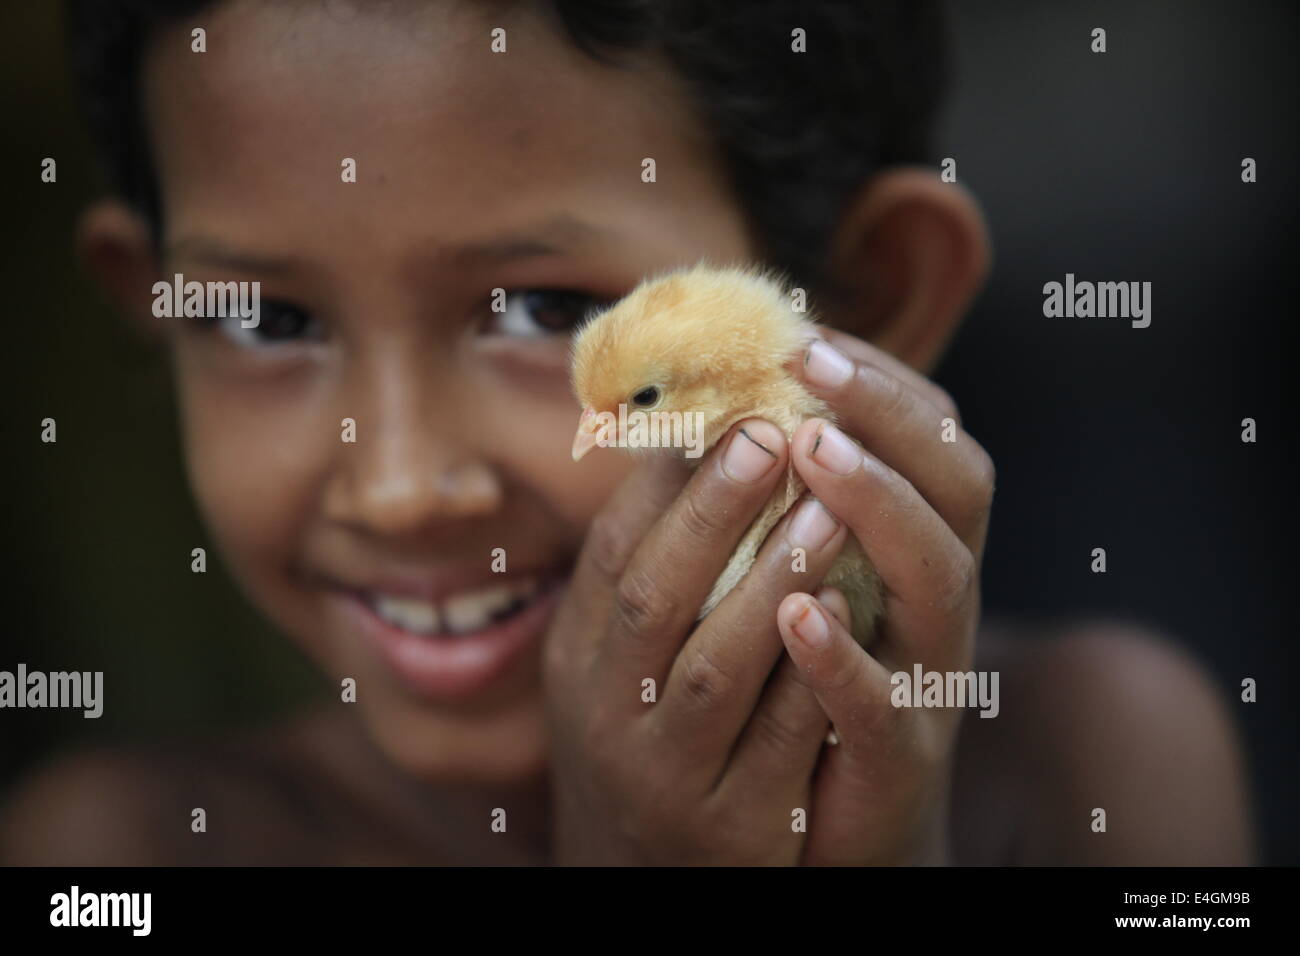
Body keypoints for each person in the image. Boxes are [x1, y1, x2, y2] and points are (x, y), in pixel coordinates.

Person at [0, 0, 1252, 865]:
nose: (397, 487)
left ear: (868, 298)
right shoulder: (120, 851)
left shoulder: (1085, 760)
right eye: (270, 320)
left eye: (546, 308)